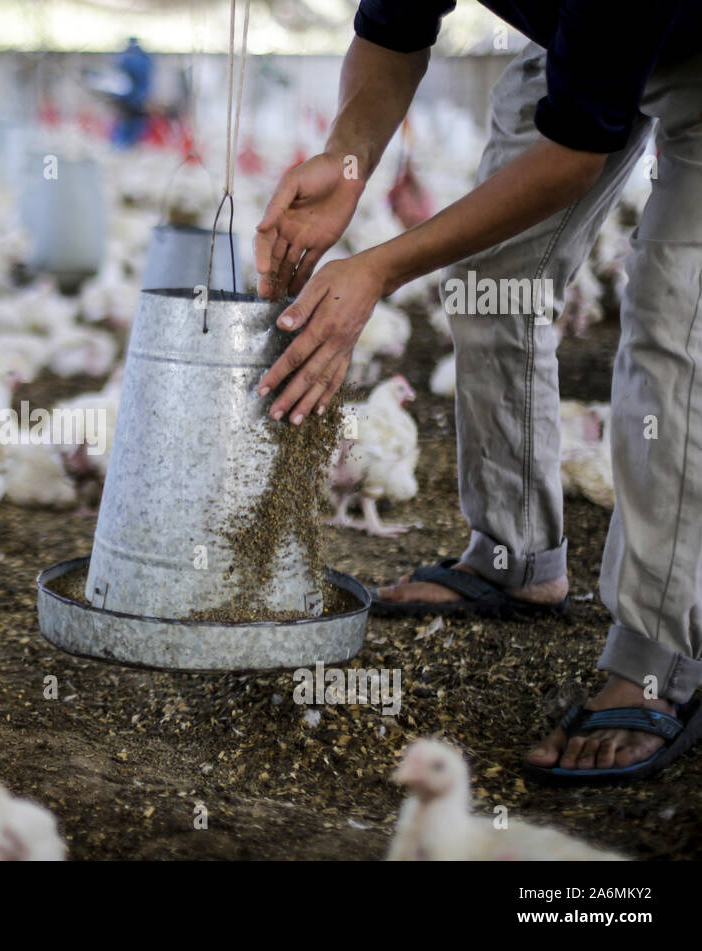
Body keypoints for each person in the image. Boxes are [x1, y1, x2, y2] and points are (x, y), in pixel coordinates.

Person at [253, 1, 702, 784]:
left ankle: (657, 656)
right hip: (580, 48)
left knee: (673, 325)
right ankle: (514, 552)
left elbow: (571, 155)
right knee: (493, 280)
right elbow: (391, 37)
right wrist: (348, 159)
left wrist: (381, 269)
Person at [111, 37, 153, 148]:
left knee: (130, 128)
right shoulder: (144, 60)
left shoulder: (126, 59)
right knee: (132, 129)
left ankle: (124, 147)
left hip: (131, 100)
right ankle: (126, 147)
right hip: (135, 100)